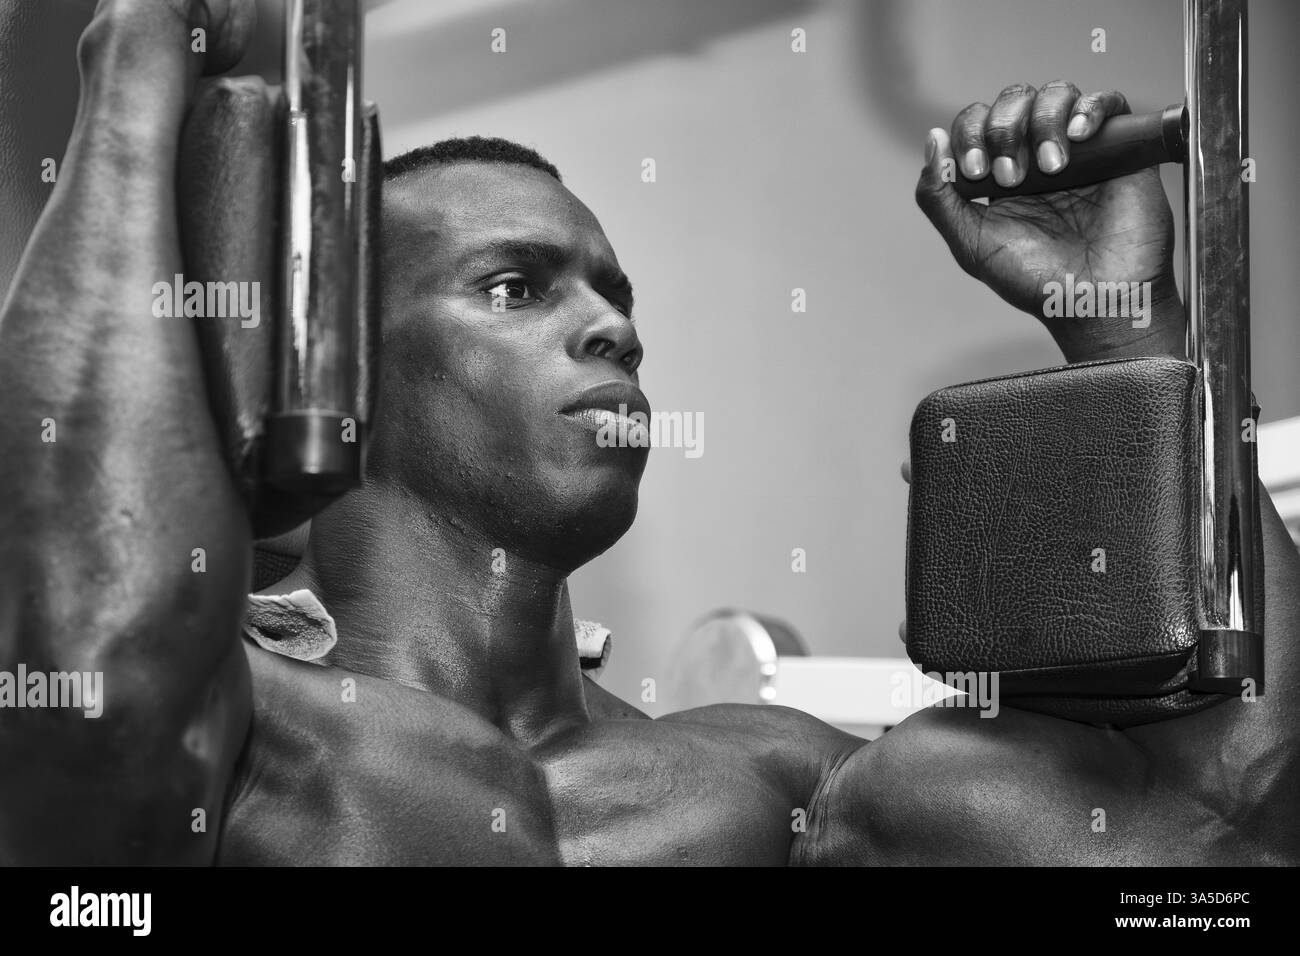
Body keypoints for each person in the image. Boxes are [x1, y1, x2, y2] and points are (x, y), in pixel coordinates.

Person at [1, 0, 1295, 866]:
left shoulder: (777, 793)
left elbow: (1229, 819)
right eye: (515, 289)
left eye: (613, 297)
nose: (612, 332)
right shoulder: (242, 744)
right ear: (344, 372)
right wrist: (140, 67)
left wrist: (1123, 325)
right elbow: (97, 685)